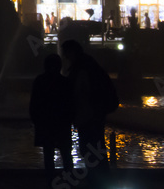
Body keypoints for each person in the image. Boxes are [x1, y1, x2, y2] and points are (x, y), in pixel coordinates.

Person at [60, 39, 117, 186]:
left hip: (88, 117)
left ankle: (97, 180)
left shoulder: (82, 69)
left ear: (72, 52)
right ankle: (101, 179)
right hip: (94, 115)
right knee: (97, 148)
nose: (65, 58)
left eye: (66, 54)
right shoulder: (90, 65)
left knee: (90, 149)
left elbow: (81, 93)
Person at [30, 54, 74, 178]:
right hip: (62, 124)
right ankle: (69, 180)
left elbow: (34, 104)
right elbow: (71, 104)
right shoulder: (65, 82)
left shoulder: (40, 81)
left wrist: (36, 121)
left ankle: (51, 181)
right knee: (66, 154)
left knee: (48, 155)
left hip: (45, 124)